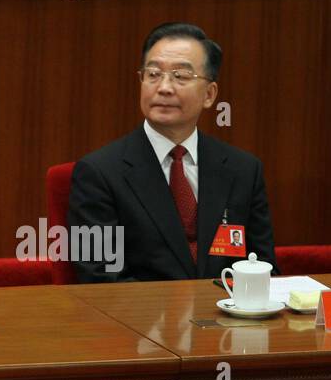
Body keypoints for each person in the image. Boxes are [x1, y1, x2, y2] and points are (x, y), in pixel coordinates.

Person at [68, 23, 277, 283]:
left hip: (227, 318)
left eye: (180, 76)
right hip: (138, 321)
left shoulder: (244, 170)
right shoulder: (98, 173)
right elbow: (99, 278)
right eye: (153, 74)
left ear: (210, 94)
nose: (164, 87)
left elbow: (263, 267)